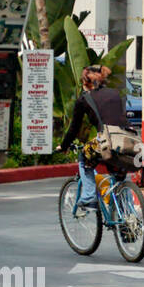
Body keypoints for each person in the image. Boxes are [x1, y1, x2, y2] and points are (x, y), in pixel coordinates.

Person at [58, 65, 130, 211]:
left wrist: (63, 146)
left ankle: (89, 195)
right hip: (127, 139)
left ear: (85, 83)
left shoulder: (84, 99)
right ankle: (127, 218)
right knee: (118, 176)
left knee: (84, 157)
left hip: (106, 140)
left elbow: (74, 128)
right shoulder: (114, 93)